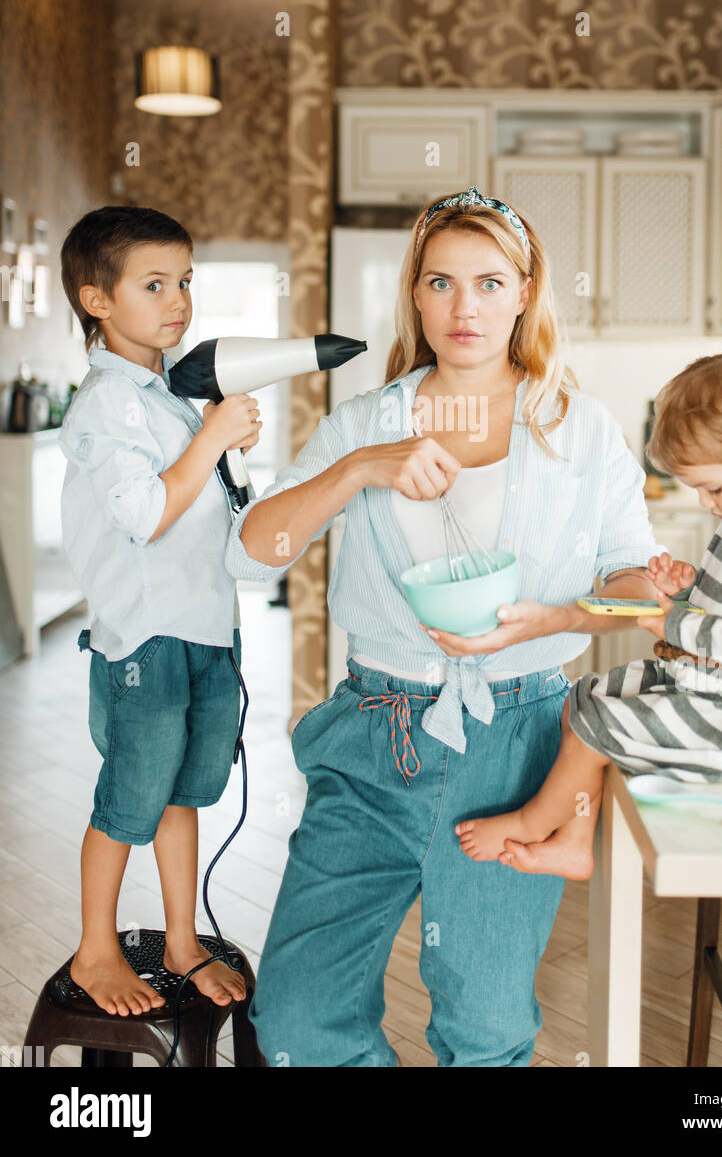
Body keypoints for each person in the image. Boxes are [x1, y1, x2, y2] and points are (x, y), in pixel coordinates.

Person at [225, 185, 668, 1067]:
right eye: (440, 283)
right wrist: (356, 470)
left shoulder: (576, 429)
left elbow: (638, 589)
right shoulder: (364, 424)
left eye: (489, 283)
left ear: (525, 292)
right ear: (414, 295)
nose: (464, 307)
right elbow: (252, 553)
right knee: (297, 1021)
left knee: (486, 1028)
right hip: (374, 734)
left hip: (521, 737)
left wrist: (555, 615)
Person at [455, 353, 722, 881]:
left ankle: (531, 821)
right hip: (709, 685)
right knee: (583, 699)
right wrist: (687, 593)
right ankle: (575, 839)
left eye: (713, 487)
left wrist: (668, 622)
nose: (706, 503)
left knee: (598, 726)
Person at [58, 206, 261, 1016]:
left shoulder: (173, 393)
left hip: (207, 628)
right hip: (145, 636)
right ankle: (94, 951)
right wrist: (211, 440)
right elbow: (145, 514)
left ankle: (182, 943)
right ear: (96, 300)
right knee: (130, 798)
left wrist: (216, 443)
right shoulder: (108, 403)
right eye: (154, 284)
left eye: (184, 281)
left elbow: (210, 510)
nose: (178, 300)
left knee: (181, 791)